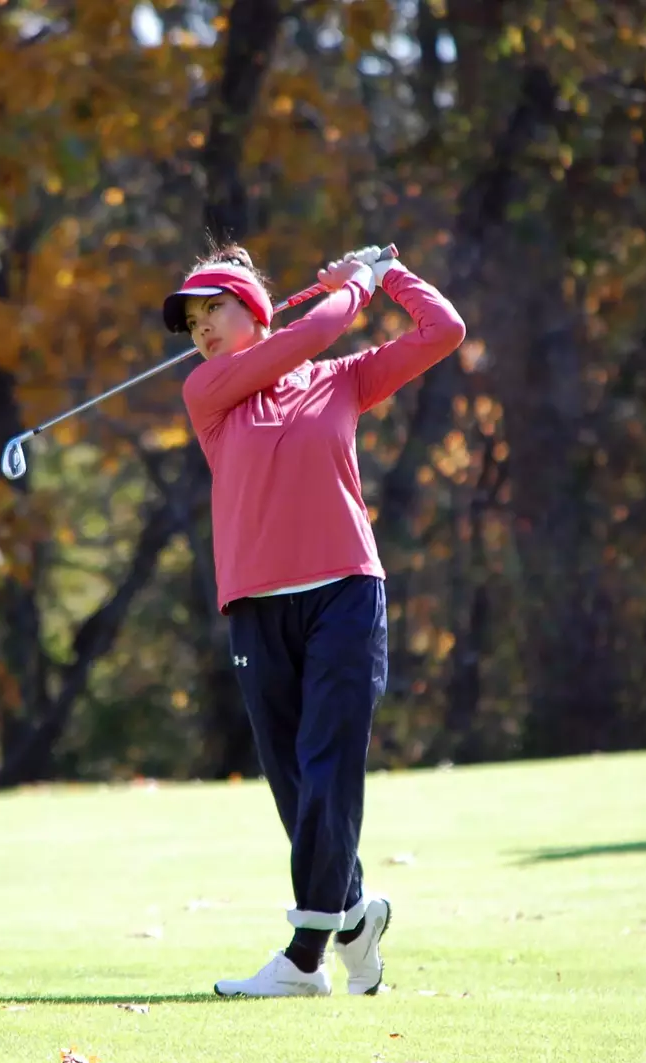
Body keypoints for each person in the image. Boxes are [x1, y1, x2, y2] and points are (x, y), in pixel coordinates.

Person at [164, 242, 466, 997]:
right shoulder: (210, 392)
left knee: (329, 762)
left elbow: (445, 329)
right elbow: (316, 329)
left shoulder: (341, 380)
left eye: (215, 310)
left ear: (256, 310)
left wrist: (389, 274)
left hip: (344, 594)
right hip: (255, 606)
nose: (200, 330)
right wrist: (354, 287)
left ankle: (305, 956)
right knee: (294, 781)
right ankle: (357, 916)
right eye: (192, 320)